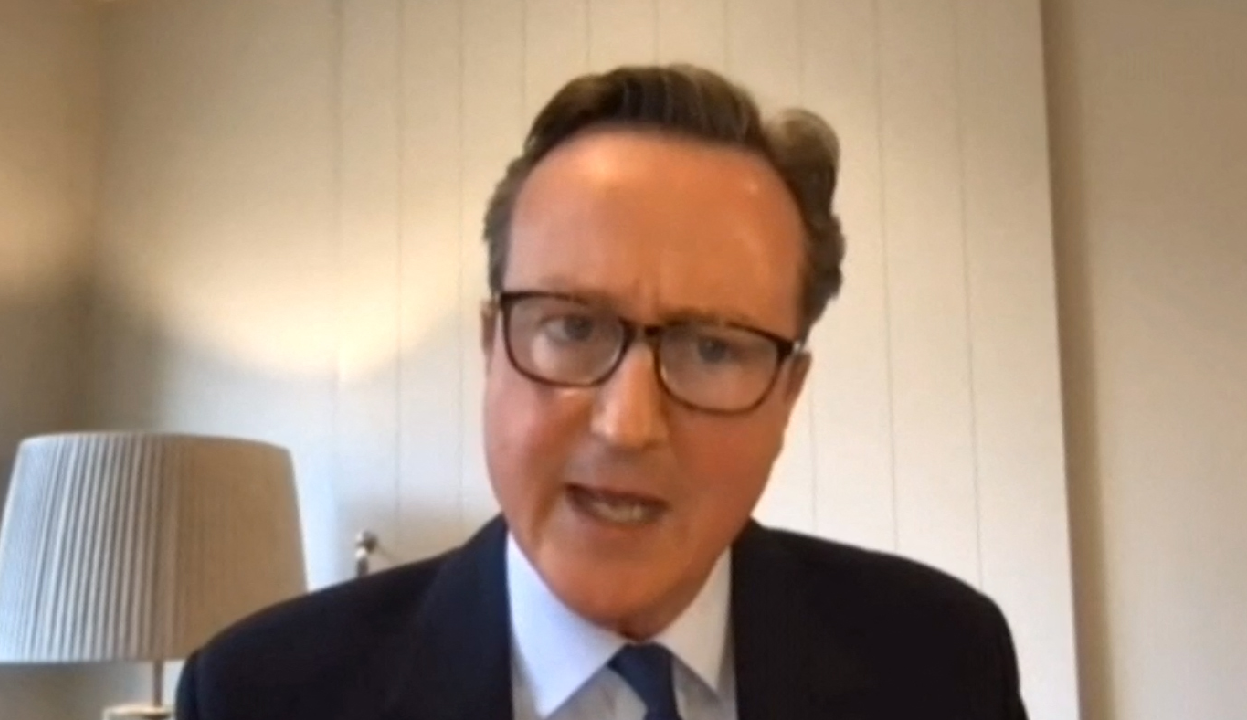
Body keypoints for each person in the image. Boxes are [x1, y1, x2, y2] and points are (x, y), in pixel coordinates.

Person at [175, 64, 1028, 720]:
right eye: (574, 328)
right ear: (491, 349)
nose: (627, 425)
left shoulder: (944, 663)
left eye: (712, 349)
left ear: (788, 395)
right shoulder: (261, 695)